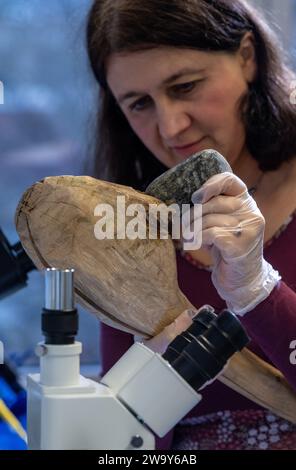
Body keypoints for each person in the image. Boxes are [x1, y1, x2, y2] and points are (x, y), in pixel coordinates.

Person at [86, 0, 296, 450]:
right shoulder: (132, 233)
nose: (171, 126)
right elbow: (125, 440)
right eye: (139, 103)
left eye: (185, 86)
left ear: (247, 57)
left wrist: (257, 290)